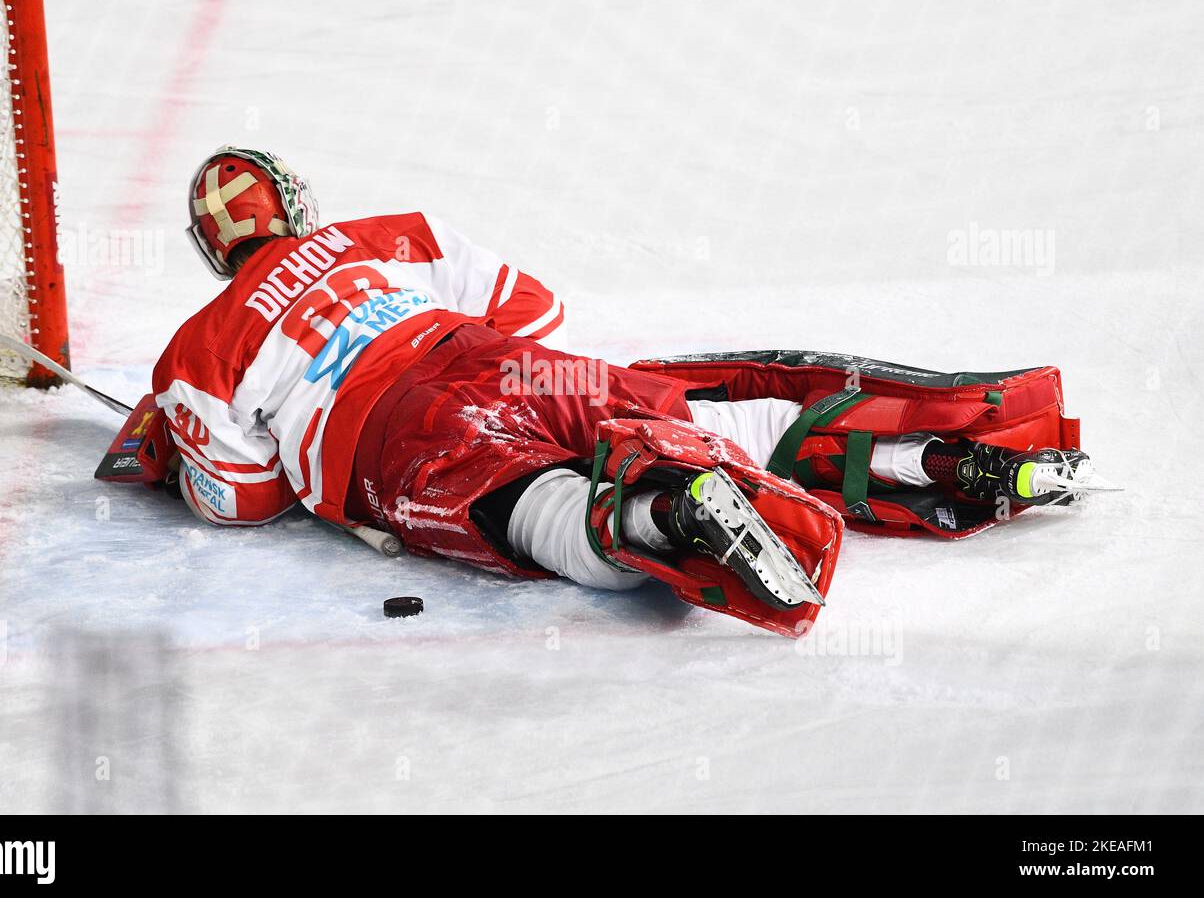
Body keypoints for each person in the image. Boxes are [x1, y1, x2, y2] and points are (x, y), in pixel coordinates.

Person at [151, 145, 1102, 623]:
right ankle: (927, 456)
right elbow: (534, 308)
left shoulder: (198, 347)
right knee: (704, 414)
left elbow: (243, 499)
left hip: (394, 434)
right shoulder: (380, 236)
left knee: (535, 508)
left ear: (214, 251)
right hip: (492, 355)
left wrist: (186, 458)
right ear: (298, 202)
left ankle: (659, 515)